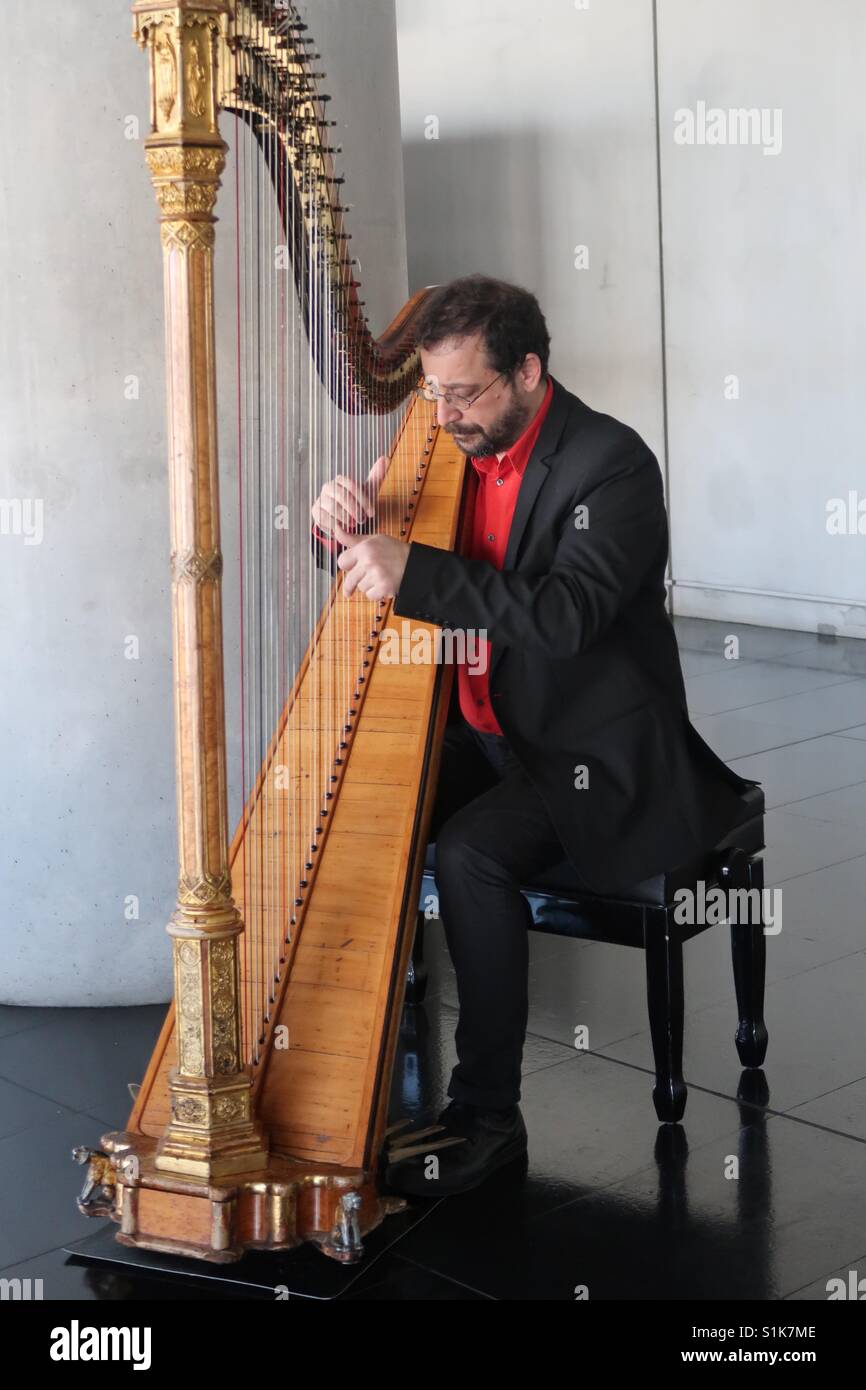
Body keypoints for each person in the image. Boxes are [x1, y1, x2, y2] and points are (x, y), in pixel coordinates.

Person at [311, 274, 755, 1198]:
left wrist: (417, 569)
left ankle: (486, 1117)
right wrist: (345, 528)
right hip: (487, 727)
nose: (446, 413)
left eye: (465, 392)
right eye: (432, 391)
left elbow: (564, 616)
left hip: (590, 750)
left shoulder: (612, 466)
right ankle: (335, 1067)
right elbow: (394, 558)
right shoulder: (444, 442)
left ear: (528, 370)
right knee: (345, 798)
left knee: (470, 853)